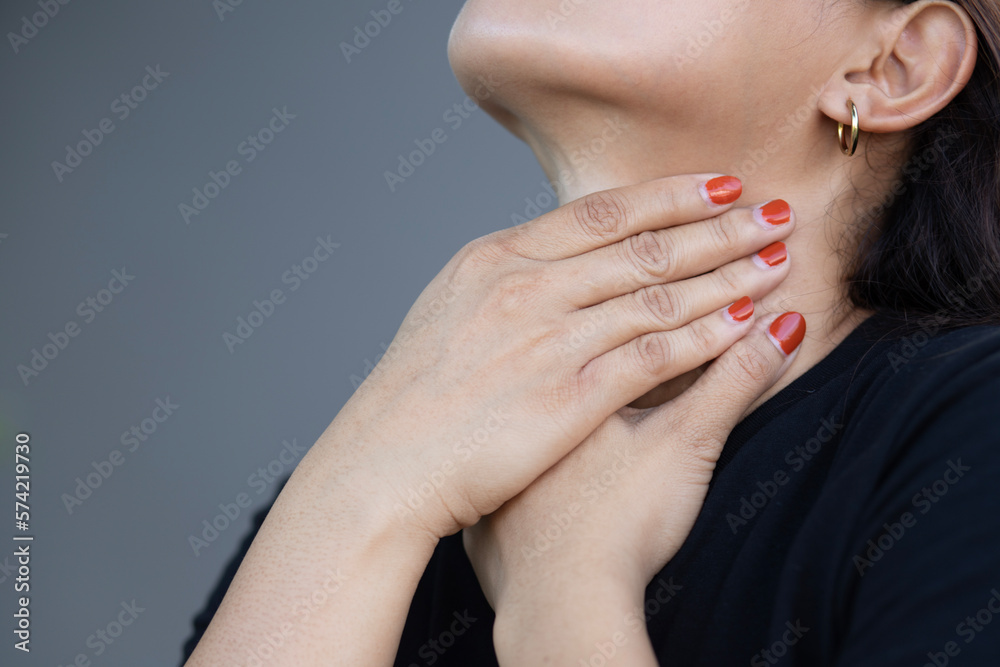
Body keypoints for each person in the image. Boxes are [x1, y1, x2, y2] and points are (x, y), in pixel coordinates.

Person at [183, 1, 1000, 664]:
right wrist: (359, 490)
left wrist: (564, 588)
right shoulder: (400, 454)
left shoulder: (974, 432)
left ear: (892, 69)